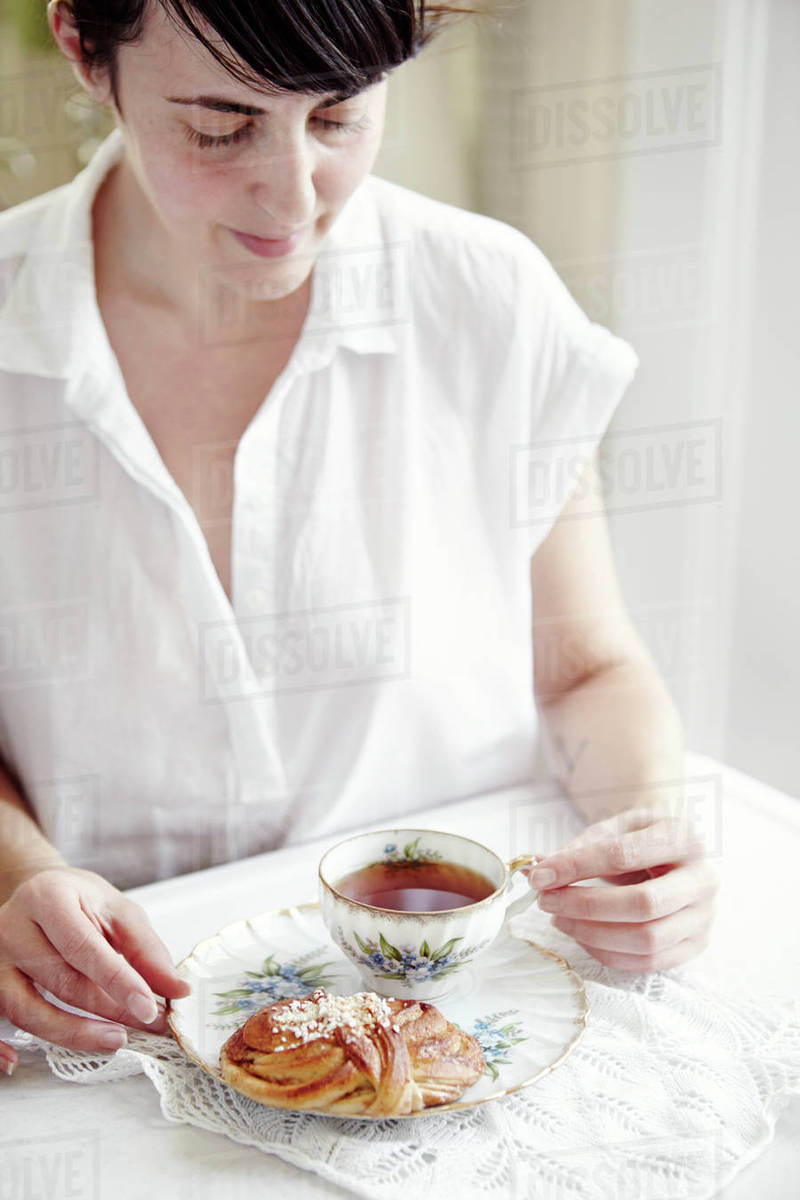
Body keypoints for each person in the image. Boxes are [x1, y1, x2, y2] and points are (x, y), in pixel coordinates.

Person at [0, 0, 719, 1076]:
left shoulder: (489, 299)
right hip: (125, 1029)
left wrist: (647, 840)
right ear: (82, 48)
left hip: (483, 1020)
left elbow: (584, 667)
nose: (293, 199)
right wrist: (15, 878)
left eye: (337, 117)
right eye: (218, 127)